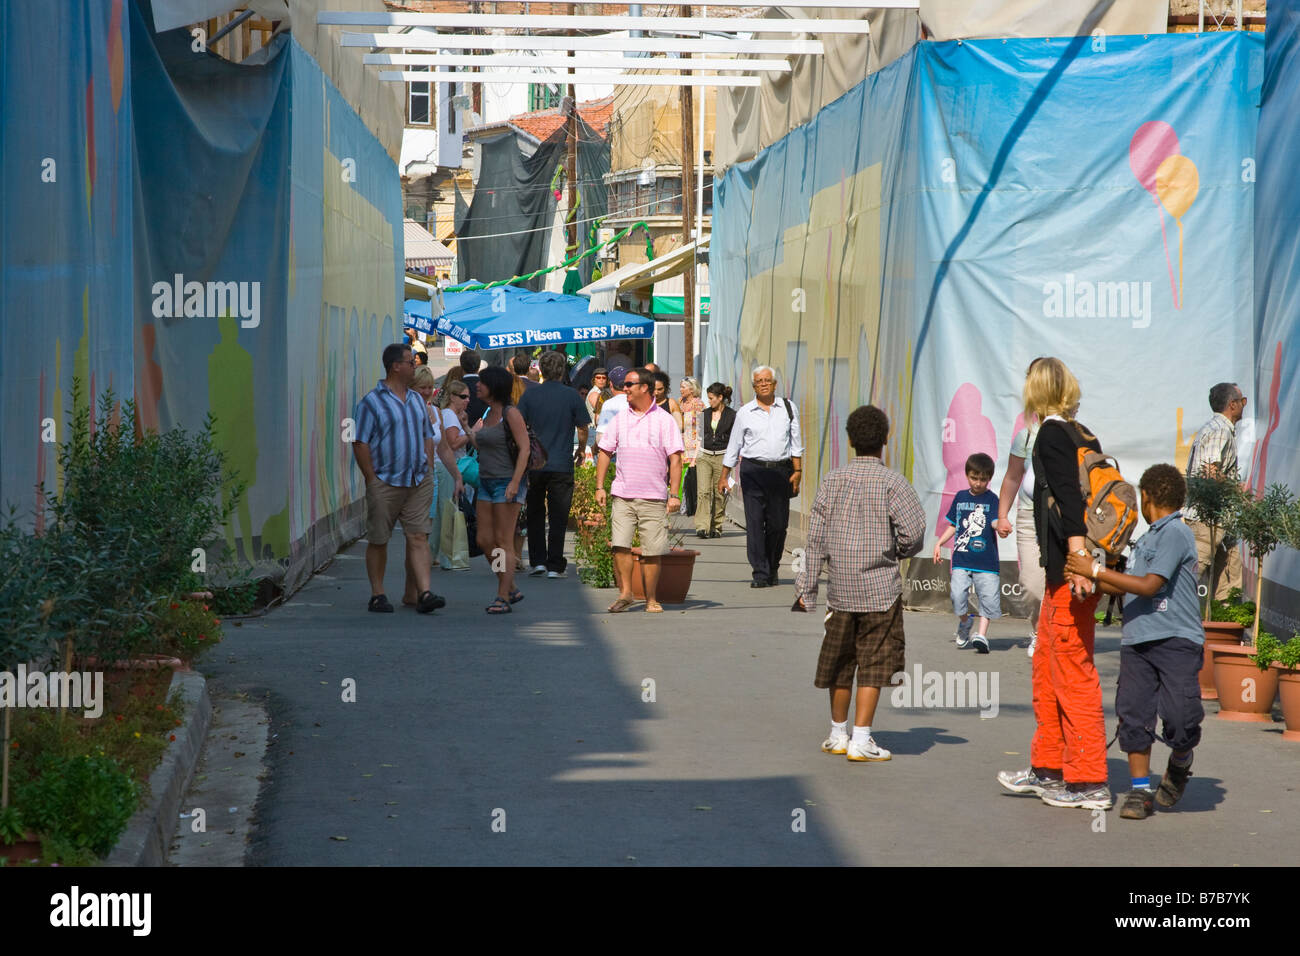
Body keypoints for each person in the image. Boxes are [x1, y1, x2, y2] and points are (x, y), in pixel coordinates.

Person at [997, 357, 1112, 810]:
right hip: (1063, 572)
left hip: (1070, 571)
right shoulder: (1081, 432)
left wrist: (1081, 560)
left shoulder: (1049, 433)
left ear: (1037, 388)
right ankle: (1049, 769)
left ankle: (1088, 782)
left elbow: (1067, 497)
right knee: (1047, 668)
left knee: (1072, 672)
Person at [1065, 464, 1204, 821]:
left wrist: (1094, 570)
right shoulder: (1145, 540)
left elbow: (1148, 586)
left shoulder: (1175, 533)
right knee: (1134, 715)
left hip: (1176, 640)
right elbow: (1127, 584)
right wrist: (1090, 582)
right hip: (1138, 640)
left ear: (1147, 497)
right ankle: (1140, 791)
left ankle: (1181, 758)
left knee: (1180, 720)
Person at [793, 405, 926, 762]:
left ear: (850, 439)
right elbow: (913, 534)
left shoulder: (832, 480)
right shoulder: (894, 482)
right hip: (880, 589)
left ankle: (838, 733)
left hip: (840, 591)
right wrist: (895, 552)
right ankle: (862, 738)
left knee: (841, 661)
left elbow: (815, 539)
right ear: (886, 439)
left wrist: (806, 589)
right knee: (874, 662)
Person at [351, 344, 450, 615]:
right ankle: (378, 594)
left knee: (418, 536)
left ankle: (424, 593)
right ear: (396, 366)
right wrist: (371, 478)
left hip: (417, 479)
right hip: (385, 480)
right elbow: (360, 442)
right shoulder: (372, 402)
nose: (414, 366)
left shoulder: (417, 399)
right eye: (410, 362)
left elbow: (427, 435)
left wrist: (428, 466)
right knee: (379, 538)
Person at [596, 367, 684, 614]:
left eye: (629, 384)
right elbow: (605, 452)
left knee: (652, 551)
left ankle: (651, 598)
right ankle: (625, 593)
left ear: (644, 387)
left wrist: (674, 494)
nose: (624, 388)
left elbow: (675, 459)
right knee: (620, 546)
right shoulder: (620, 418)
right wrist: (600, 487)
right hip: (622, 494)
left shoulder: (664, 420)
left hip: (654, 496)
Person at [719, 366, 803, 588]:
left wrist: (798, 472)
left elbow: (796, 442)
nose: (764, 384)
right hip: (753, 471)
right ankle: (760, 572)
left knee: (778, 524)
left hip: (780, 472)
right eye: (759, 381)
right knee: (755, 523)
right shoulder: (745, 412)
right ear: (754, 386)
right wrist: (724, 476)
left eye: (768, 380)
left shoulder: (788, 408)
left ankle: (772, 565)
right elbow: (734, 445)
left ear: (775, 384)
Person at [518, 350, 590, 578]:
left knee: (535, 512)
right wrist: (580, 448)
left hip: (535, 463)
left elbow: (520, 426)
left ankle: (538, 561)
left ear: (541, 370)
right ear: (562, 370)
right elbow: (583, 427)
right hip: (561, 462)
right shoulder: (571, 396)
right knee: (559, 515)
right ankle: (555, 564)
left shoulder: (529, 395)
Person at [995, 360, 1047, 658]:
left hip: (1060, 519)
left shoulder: (1070, 431)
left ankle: (1051, 635)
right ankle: (1038, 629)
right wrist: (1002, 516)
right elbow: (1013, 477)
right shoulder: (1025, 435)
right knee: (1030, 584)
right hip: (1028, 518)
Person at [471, 366, 531, 614]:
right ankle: (510, 586)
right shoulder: (488, 413)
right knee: (484, 540)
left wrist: (515, 482)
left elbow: (525, 449)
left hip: (506, 482)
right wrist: (469, 431)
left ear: (494, 387)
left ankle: (502, 596)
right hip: (485, 481)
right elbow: (483, 445)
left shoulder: (511, 413)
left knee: (504, 541)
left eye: (482, 383)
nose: (477, 386)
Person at [1185, 382, 1248, 601]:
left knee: (1230, 577)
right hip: (1207, 520)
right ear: (1232, 405)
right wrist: (1236, 488)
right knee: (1190, 577)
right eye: (1243, 401)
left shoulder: (1214, 429)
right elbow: (1209, 472)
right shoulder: (1220, 431)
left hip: (1221, 520)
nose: (1244, 405)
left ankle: (1225, 625)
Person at [932, 452, 1000, 654]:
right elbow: (953, 524)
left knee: (987, 598)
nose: (979, 483)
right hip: (961, 559)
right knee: (956, 595)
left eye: (983, 479)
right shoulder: (960, 497)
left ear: (989, 478)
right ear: (967, 475)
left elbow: (995, 521)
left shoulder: (993, 499)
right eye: (974, 478)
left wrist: (1000, 527)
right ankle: (965, 622)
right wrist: (940, 543)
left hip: (986, 562)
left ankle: (982, 635)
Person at [436, 378, 474, 570]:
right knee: (449, 513)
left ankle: (440, 555)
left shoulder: (451, 414)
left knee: (445, 514)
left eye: (468, 397)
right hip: (450, 468)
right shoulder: (449, 415)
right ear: (452, 397)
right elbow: (452, 443)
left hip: (449, 467)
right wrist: (473, 431)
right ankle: (448, 556)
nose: (467, 400)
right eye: (463, 396)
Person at [694, 383, 735, 539]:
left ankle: (716, 526)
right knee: (703, 491)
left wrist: (734, 458)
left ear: (720, 398)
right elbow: (699, 437)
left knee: (719, 493)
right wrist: (694, 457)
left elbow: (735, 438)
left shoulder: (732, 415)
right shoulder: (704, 414)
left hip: (722, 456)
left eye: (712, 398)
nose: (709, 401)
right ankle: (702, 526)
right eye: (708, 398)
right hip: (704, 456)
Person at [679, 377, 704, 517]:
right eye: (681, 386)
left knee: (692, 476)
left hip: (693, 443)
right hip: (680, 442)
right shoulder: (680, 402)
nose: (681, 389)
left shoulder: (698, 404)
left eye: (684, 387)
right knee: (680, 474)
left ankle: (693, 505)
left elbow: (702, 427)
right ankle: (683, 504)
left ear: (692, 389)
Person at [594, 366, 630, 445]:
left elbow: (601, 437)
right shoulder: (637, 402)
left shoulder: (609, 404)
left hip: (613, 452)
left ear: (610, 384)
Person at [460, 349, 487, 422]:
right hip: (484, 426)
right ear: (479, 366)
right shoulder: (487, 386)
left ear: (461, 366)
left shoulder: (456, 387)